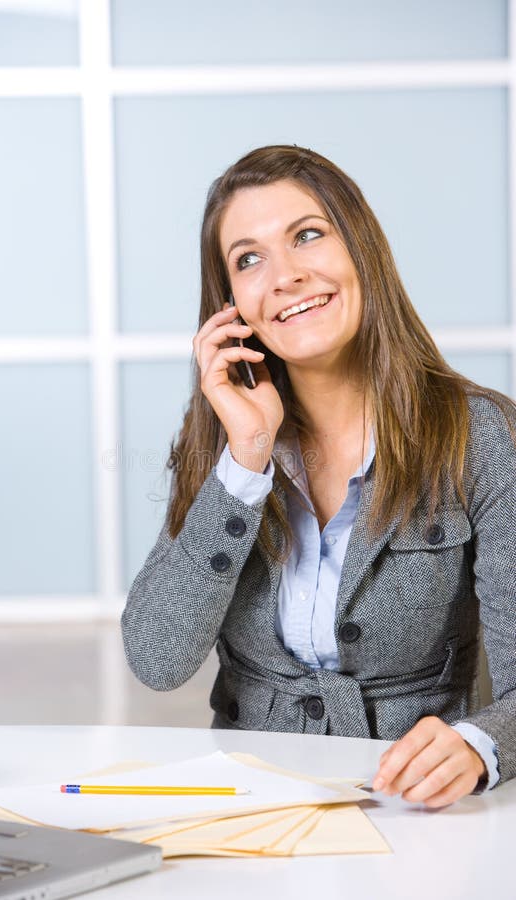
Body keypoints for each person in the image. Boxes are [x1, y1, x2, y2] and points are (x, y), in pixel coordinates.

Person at [122, 145, 516, 807]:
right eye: (249, 258)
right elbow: (157, 660)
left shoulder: (481, 437)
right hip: (250, 809)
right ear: (231, 305)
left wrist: (481, 743)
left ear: (361, 249)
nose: (284, 276)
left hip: (417, 809)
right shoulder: (224, 440)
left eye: (307, 236)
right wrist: (245, 459)